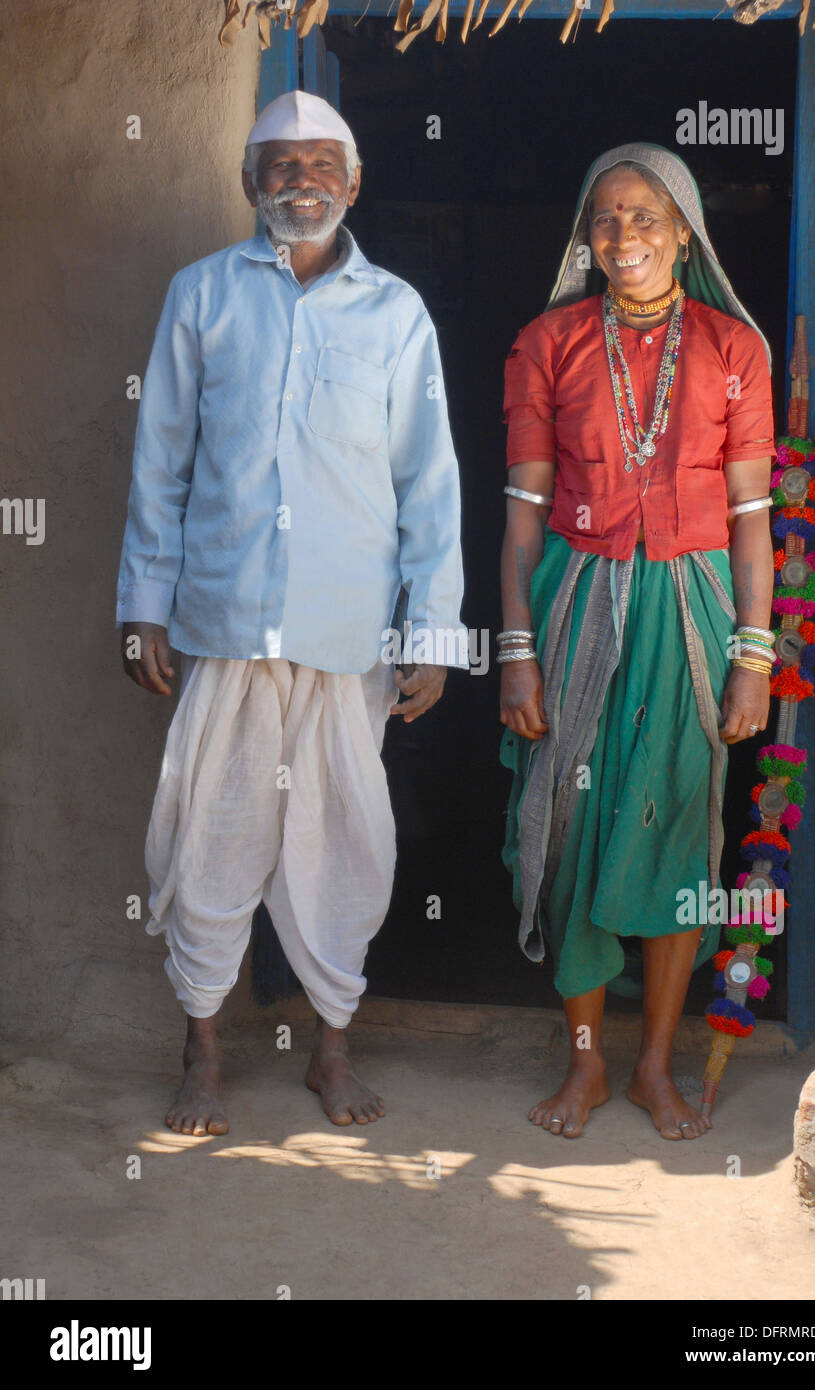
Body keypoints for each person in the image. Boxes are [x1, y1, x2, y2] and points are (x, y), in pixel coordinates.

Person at [117, 90, 466, 1136]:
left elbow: (429, 483)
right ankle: (204, 1054)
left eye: (321, 164)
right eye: (279, 163)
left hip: (347, 631)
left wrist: (435, 634)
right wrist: (144, 606)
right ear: (248, 182)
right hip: (223, 622)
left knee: (343, 844)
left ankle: (329, 1050)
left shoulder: (397, 313)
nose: (300, 180)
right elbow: (160, 462)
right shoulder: (201, 295)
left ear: (352, 184)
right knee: (209, 839)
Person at [498, 142, 775, 1141]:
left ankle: (655, 1066)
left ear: (686, 231)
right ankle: (587, 1068)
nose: (625, 237)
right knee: (567, 836)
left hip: (692, 614)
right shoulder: (547, 344)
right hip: (576, 606)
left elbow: (751, 519)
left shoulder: (734, 351)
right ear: (585, 236)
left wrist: (753, 655)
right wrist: (516, 650)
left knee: (673, 832)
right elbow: (523, 518)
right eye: (606, 217)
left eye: (646, 216)